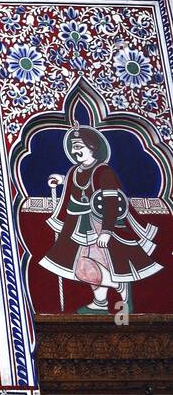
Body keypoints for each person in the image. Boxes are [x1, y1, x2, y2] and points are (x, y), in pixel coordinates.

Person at [37, 125, 162, 315]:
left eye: (79, 146)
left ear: (92, 147)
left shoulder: (104, 172)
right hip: (78, 225)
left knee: (99, 262)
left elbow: (111, 203)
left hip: (100, 225)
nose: (74, 151)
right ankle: (101, 301)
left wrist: (106, 231)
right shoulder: (74, 171)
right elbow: (77, 184)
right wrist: (61, 180)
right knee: (84, 266)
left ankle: (118, 287)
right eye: (73, 147)